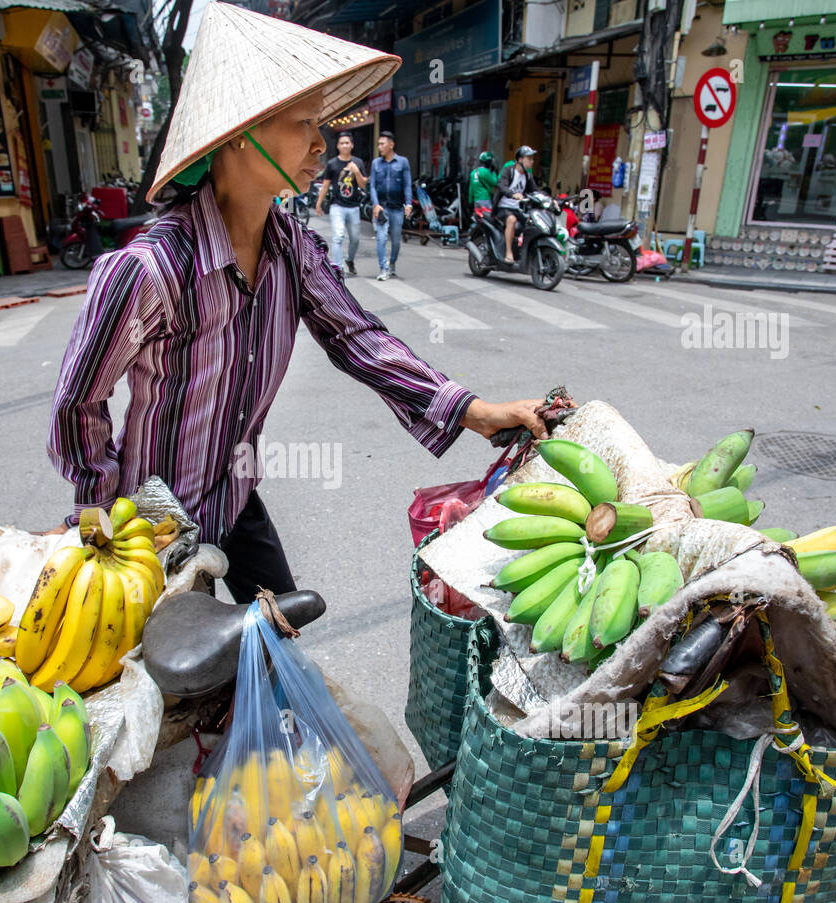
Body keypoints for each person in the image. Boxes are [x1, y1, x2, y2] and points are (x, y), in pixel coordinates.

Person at [45, 2, 545, 604]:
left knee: (283, 637)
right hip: (154, 524)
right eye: (304, 124)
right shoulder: (149, 270)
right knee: (192, 683)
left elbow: (357, 338)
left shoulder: (292, 250)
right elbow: (79, 401)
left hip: (233, 493)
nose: (321, 142)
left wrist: (473, 410)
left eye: (320, 125)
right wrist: (101, 520)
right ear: (236, 136)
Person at [316, 131, 367, 275]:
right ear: (338, 146)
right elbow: (325, 185)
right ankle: (338, 268)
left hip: (354, 207)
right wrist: (318, 204)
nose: (344, 145)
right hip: (337, 206)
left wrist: (356, 171)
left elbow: (363, 185)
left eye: (347, 143)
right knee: (338, 236)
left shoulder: (358, 162)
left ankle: (349, 259)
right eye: (342, 143)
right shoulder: (332, 164)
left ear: (352, 145)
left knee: (355, 239)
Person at [369, 130, 412, 281]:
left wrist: (408, 204)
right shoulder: (376, 163)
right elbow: (372, 186)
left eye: (382, 144)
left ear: (391, 144)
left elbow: (407, 185)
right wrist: (375, 204)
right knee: (381, 238)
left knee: (396, 241)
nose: (379, 147)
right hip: (382, 208)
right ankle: (383, 268)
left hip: (397, 208)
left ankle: (392, 263)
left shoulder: (402, 162)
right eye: (378, 144)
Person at [495, 145, 539, 263]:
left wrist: (550, 199)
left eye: (532, 159)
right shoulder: (509, 171)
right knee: (512, 220)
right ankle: (508, 253)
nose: (532, 161)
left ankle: (523, 252)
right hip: (503, 208)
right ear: (520, 159)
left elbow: (535, 191)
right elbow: (501, 185)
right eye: (529, 158)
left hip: (517, 209)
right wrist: (512, 194)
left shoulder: (528, 176)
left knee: (533, 223)